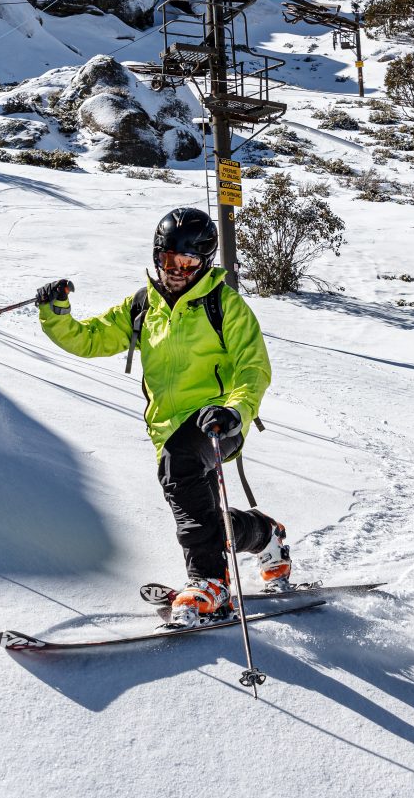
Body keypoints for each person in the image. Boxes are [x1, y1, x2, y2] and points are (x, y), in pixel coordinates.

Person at [35, 207, 292, 627]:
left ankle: (209, 583)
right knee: (204, 516)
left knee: (180, 470)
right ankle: (265, 535)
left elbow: (253, 368)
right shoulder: (142, 305)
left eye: (187, 262)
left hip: (219, 422)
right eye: (168, 259)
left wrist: (235, 410)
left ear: (204, 262)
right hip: (167, 429)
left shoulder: (224, 305)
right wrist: (55, 312)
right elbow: (91, 340)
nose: (175, 270)